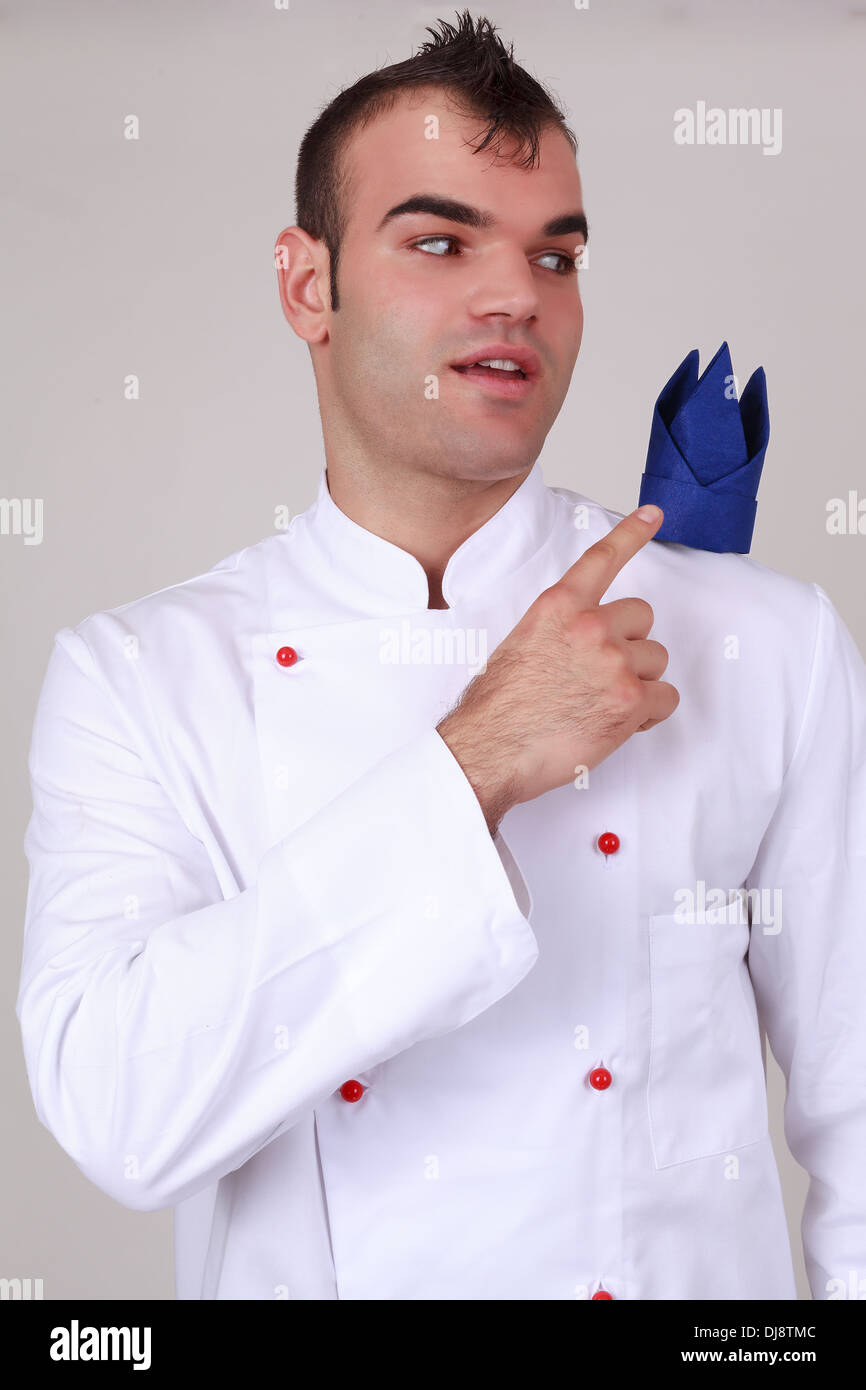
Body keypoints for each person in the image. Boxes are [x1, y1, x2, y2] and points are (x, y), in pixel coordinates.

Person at [17, 11, 866, 1301]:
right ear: (310, 285)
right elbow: (124, 1115)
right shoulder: (140, 676)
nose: (516, 294)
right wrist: (481, 758)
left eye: (556, 255)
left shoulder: (766, 641)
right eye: (439, 240)